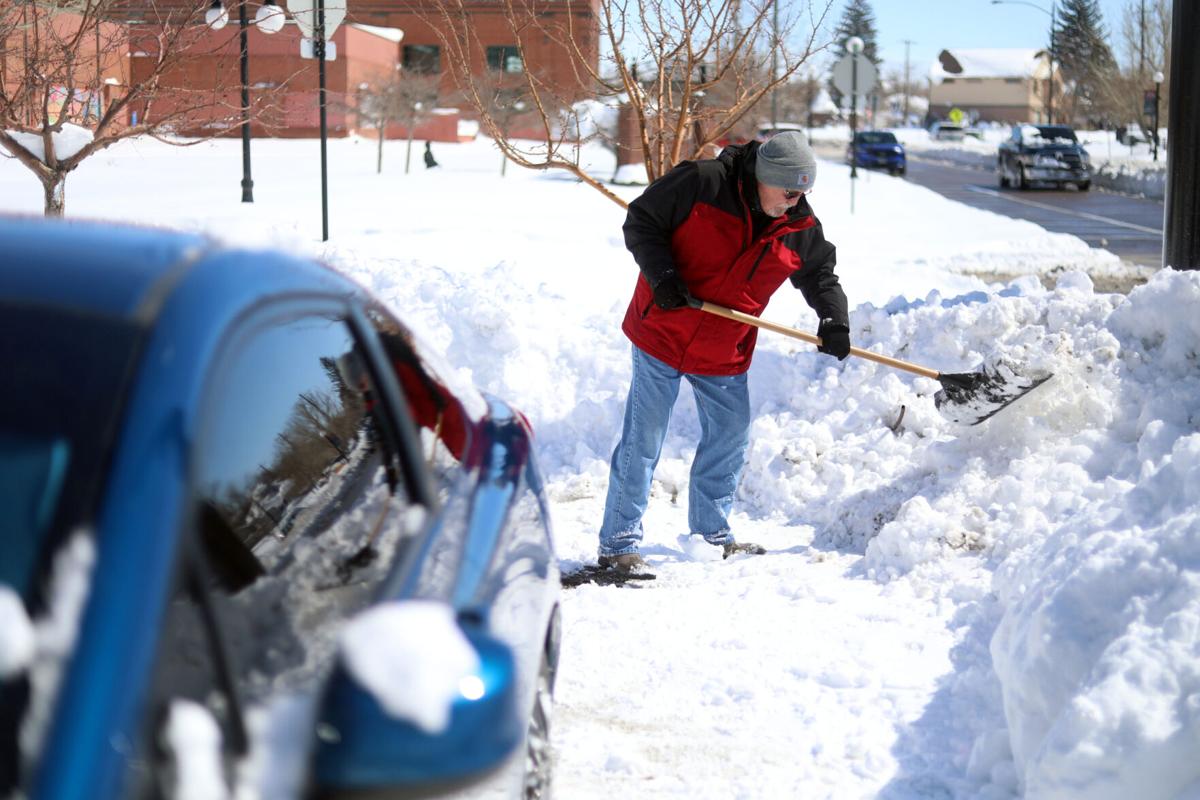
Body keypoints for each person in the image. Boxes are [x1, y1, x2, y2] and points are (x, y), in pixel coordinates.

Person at [597, 131, 851, 573]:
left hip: (724, 348)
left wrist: (834, 319)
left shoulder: (798, 226)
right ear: (763, 176)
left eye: (804, 193)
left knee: (729, 438)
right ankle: (619, 544)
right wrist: (663, 276)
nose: (795, 202)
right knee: (644, 440)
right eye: (790, 191)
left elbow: (820, 275)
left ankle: (711, 535)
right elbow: (642, 221)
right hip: (663, 330)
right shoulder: (702, 182)